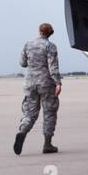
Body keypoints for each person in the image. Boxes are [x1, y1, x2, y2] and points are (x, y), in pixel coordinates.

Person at [15, 22, 62, 155]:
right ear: (50, 33)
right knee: (49, 113)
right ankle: (47, 144)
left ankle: (22, 131)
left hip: (30, 84)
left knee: (29, 113)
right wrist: (58, 83)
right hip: (46, 84)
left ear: (39, 31)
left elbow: (22, 63)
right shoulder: (50, 46)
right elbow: (53, 67)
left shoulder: (28, 44)